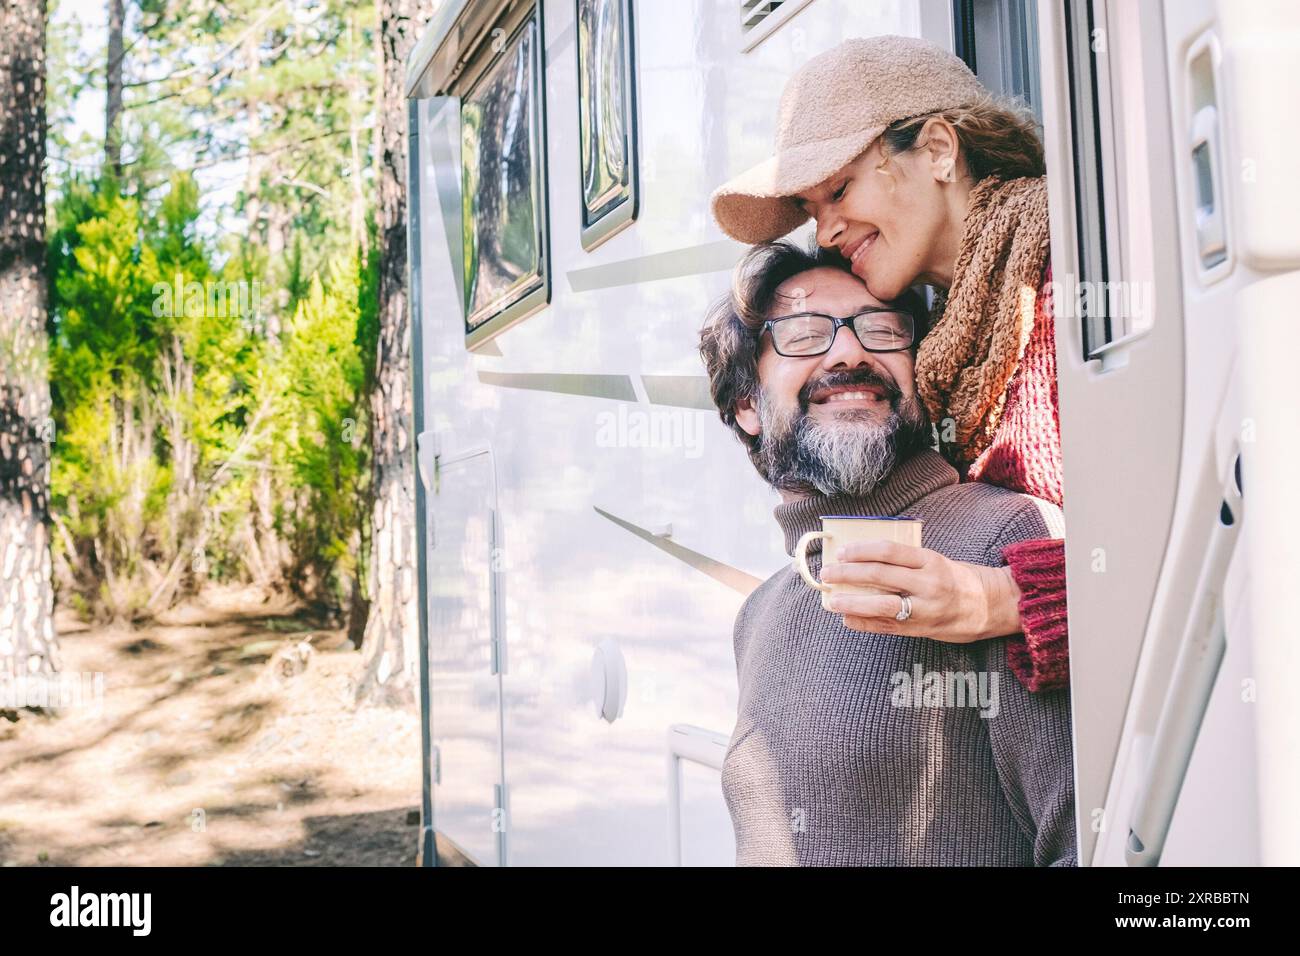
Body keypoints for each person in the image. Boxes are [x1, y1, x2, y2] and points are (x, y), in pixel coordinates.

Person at [698, 240, 1075, 865]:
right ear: (746, 404)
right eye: (804, 334)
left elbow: (1093, 844)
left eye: (882, 330)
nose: (851, 351)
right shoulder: (760, 612)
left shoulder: (1005, 544)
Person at [710, 36, 1066, 693]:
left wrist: (1001, 599)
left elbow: (1196, 537)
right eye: (813, 211)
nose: (824, 233)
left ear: (936, 149)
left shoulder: (1066, 282)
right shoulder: (950, 334)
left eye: (838, 190)